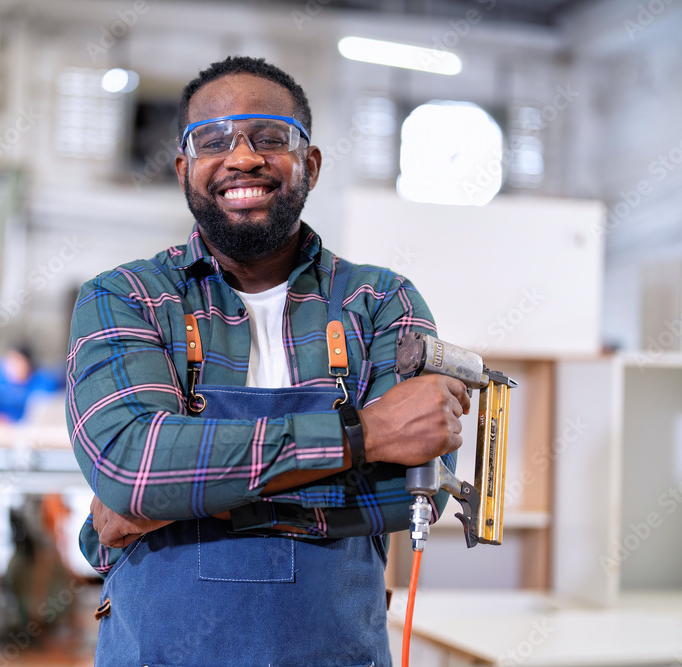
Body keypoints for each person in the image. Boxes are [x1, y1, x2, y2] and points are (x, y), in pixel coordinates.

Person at [67, 56, 470, 666]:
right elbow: (134, 468)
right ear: (185, 168)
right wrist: (369, 433)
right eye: (214, 140)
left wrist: (178, 502)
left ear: (308, 164)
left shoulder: (380, 301)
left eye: (270, 137)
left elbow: (413, 496)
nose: (243, 157)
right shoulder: (128, 296)